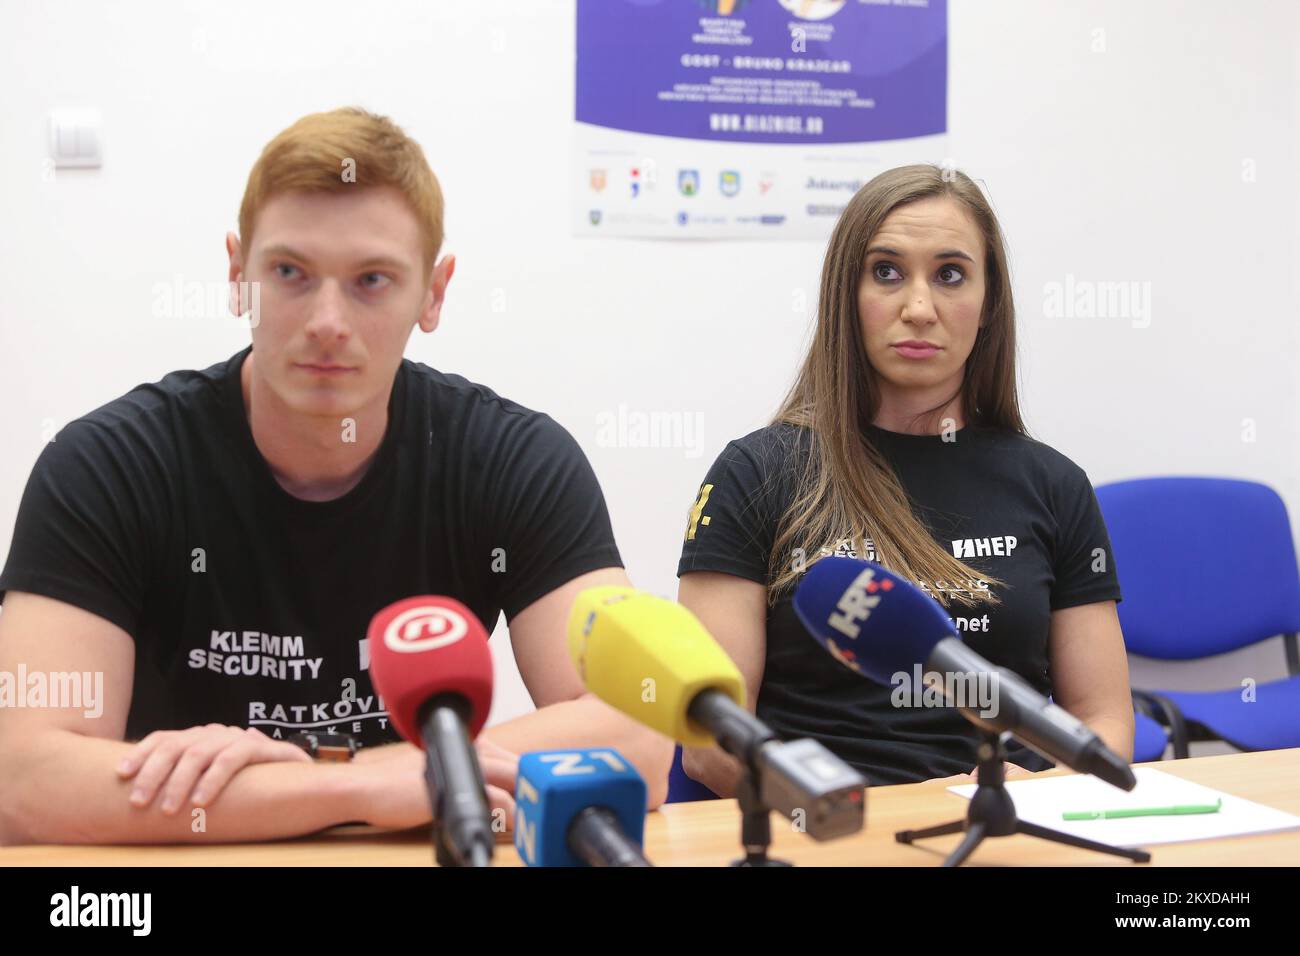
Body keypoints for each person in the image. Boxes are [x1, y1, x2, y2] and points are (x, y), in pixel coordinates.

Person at [0, 107, 672, 846]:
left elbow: (639, 733)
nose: (326, 321)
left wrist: (342, 780)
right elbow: (24, 780)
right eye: (290, 272)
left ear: (435, 293)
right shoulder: (109, 465)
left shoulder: (513, 459)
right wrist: (367, 784)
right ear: (237, 275)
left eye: (372, 280)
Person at [677, 164, 1134, 794]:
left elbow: (1102, 719)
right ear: (846, 294)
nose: (919, 308)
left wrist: (1031, 796)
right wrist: (862, 822)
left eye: (950, 275)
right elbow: (709, 742)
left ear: (988, 303)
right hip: (828, 834)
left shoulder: (1054, 484)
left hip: (1009, 828)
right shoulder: (757, 473)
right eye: (886, 271)